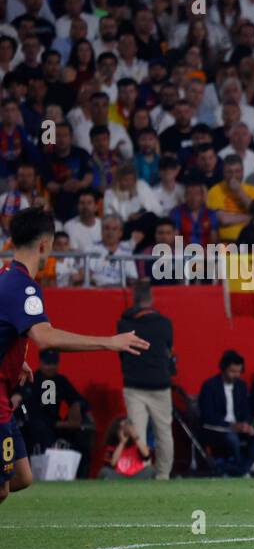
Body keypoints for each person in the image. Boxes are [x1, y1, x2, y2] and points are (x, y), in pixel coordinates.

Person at [0, 207, 148, 506]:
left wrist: (16, 359)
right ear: (45, 245)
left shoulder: (5, 276)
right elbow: (45, 336)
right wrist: (109, 342)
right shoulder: (23, 286)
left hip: (4, 390)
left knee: (20, 477)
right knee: (6, 483)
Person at [117, 282, 175, 479]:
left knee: (138, 432)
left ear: (134, 299)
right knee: (164, 432)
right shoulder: (165, 323)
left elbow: (121, 353)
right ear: (151, 300)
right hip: (160, 385)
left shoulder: (124, 323)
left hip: (134, 385)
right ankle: (163, 476)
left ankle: (141, 472)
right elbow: (168, 349)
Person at [15, 348, 95, 477]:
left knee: (81, 435)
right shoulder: (31, 381)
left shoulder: (60, 381)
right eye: (48, 363)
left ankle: (80, 475)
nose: (51, 367)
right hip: (33, 426)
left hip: (56, 424)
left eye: (54, 363)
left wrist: (77, 405)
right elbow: (27, 410)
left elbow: (78, 399)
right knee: (39, 429)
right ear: (40, 362)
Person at [198, 350, 254, 476]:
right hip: (218, 429)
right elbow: (207, 416)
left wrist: (247, 424)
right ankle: (240, 471)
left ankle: (242, 469)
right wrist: (230, 425)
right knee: (232, 439)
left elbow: (247, 410)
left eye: (238, 372)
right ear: (223, 369)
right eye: (232, 371)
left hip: (239, 427)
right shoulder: (210, 386)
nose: (236, 375)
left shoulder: (241, 386)